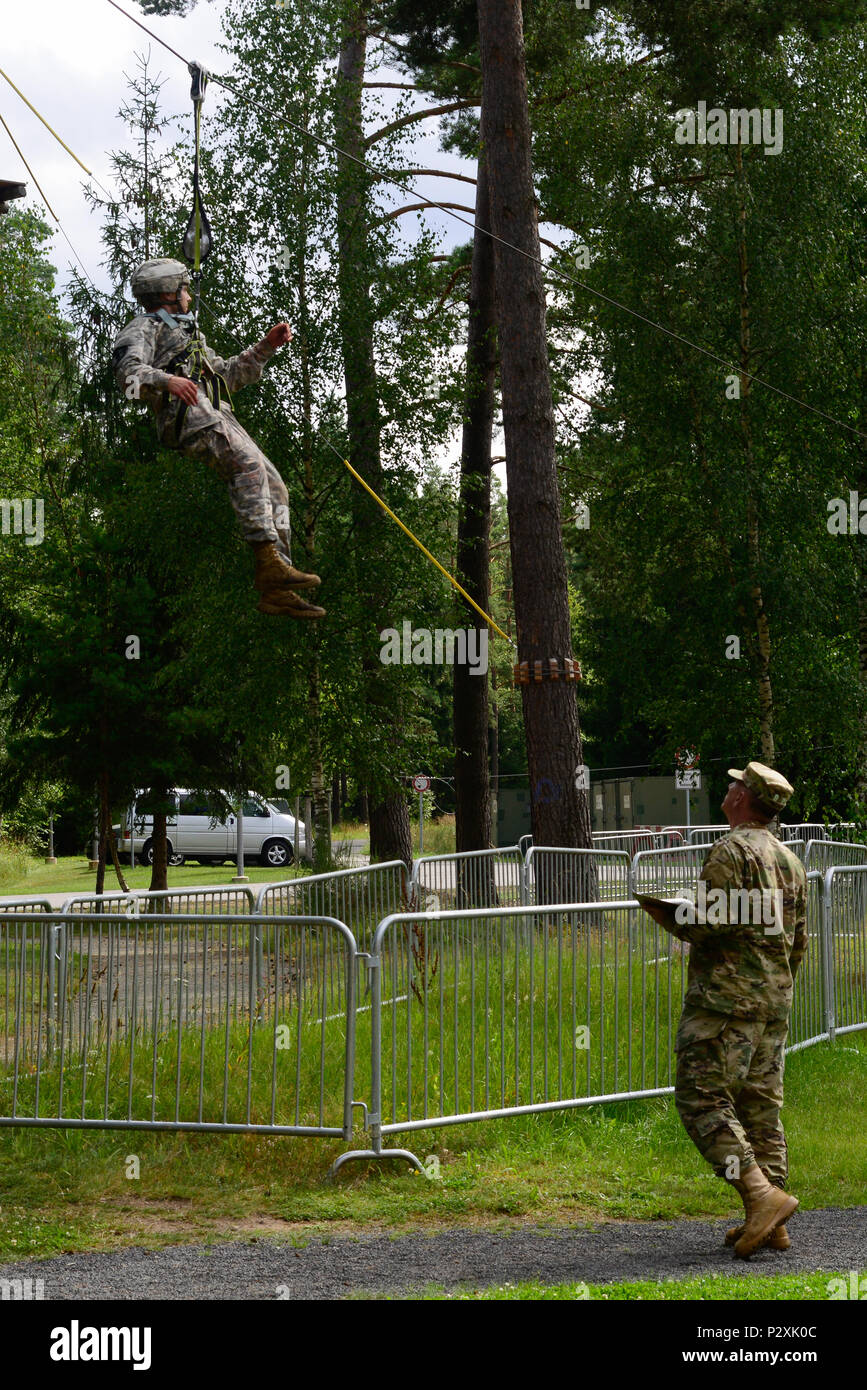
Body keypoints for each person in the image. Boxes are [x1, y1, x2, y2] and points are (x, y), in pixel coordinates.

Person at [638, 761, 807, 1259]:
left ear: (742, 799)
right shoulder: (789, 859)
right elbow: (798, 941)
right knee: (760, 1107)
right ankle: (773, 1223)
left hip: (724, 1003)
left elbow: (710, 922)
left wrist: (665, 912)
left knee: (702, 1100)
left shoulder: (730, 851)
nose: (728, 788)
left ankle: (760, 1197)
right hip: (773, 1001)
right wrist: (777, 984)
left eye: (734, 784)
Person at [111, 257, 325, 620]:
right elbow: (126, 374)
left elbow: (226, 375)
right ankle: (267, 562)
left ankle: (277, 587)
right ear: (167, 293)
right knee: (248, 464)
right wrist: (169, 382)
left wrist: (265, 347)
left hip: (214, 415)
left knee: (275, 486)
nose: (190, 295)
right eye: (184, 289)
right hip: (186, 418)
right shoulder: (143, 328)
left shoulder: (186, 333)